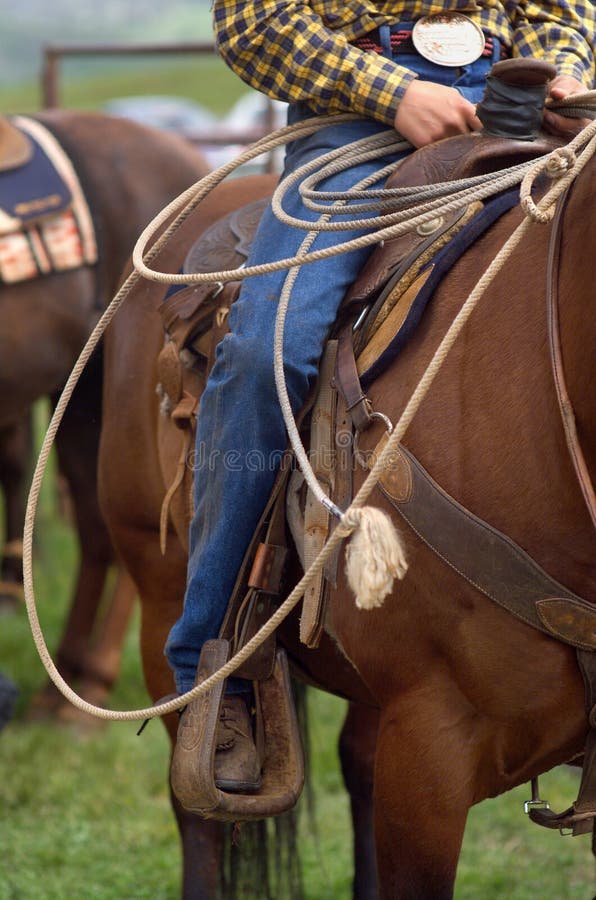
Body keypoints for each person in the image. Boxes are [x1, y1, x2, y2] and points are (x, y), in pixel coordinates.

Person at [168, 0, 594, 797]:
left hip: (527, 120)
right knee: (269, 351)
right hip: (357, 138)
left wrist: (563, 69)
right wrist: (392, 91)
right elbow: (253, 23)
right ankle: (219, 660)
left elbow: (553, 9)